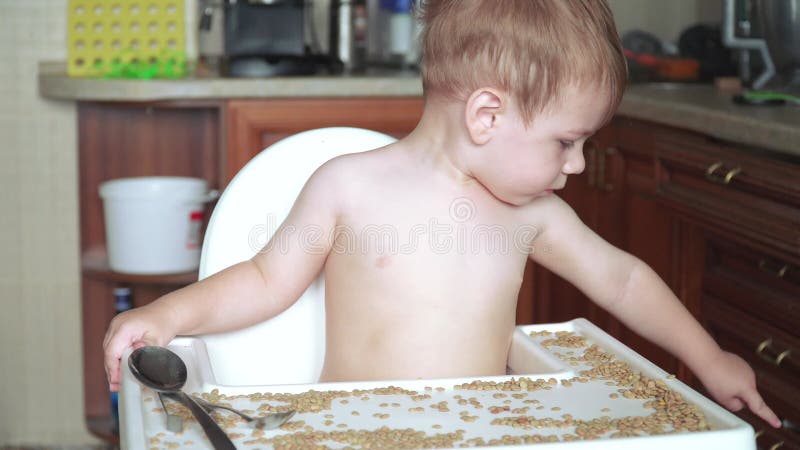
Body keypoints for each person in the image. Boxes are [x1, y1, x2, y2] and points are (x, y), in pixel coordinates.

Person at [103, 0, 781, 428]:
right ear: (487, 115)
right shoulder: (348, 187)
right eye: (565, 142)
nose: (576, 164)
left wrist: (708, 358)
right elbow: (263, 281)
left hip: (479, 435)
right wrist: (166, 315)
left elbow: (623, 279)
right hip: (350, 433)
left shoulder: (532, 216)